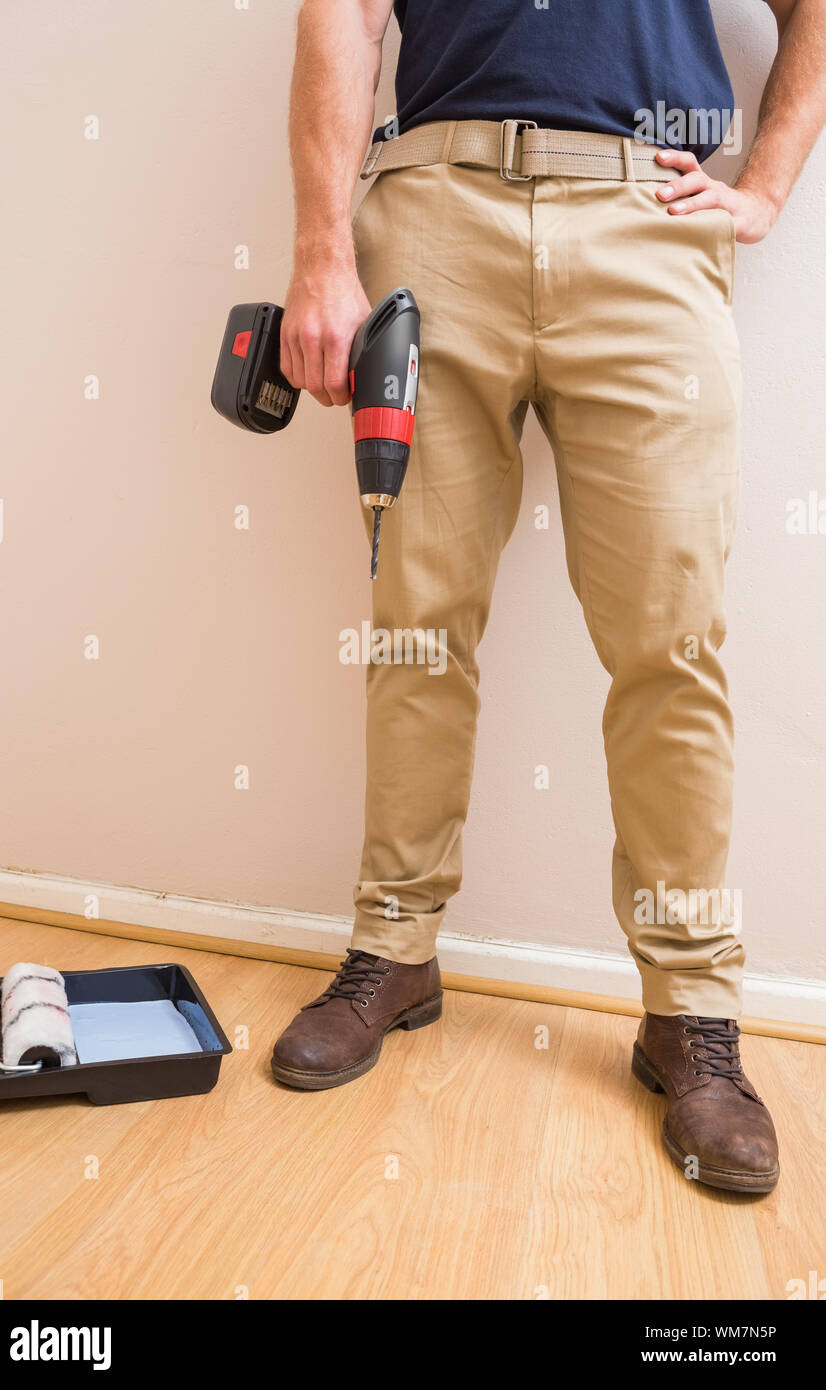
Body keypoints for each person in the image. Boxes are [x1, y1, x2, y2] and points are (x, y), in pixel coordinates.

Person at [272, 0, 826, 1194]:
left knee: (670, 642)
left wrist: (765, 189)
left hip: (646, 218)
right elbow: (341, 13)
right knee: (418, 626)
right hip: (431, 211)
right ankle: (394, 948)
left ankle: (689, 1009)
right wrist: (320, 248)